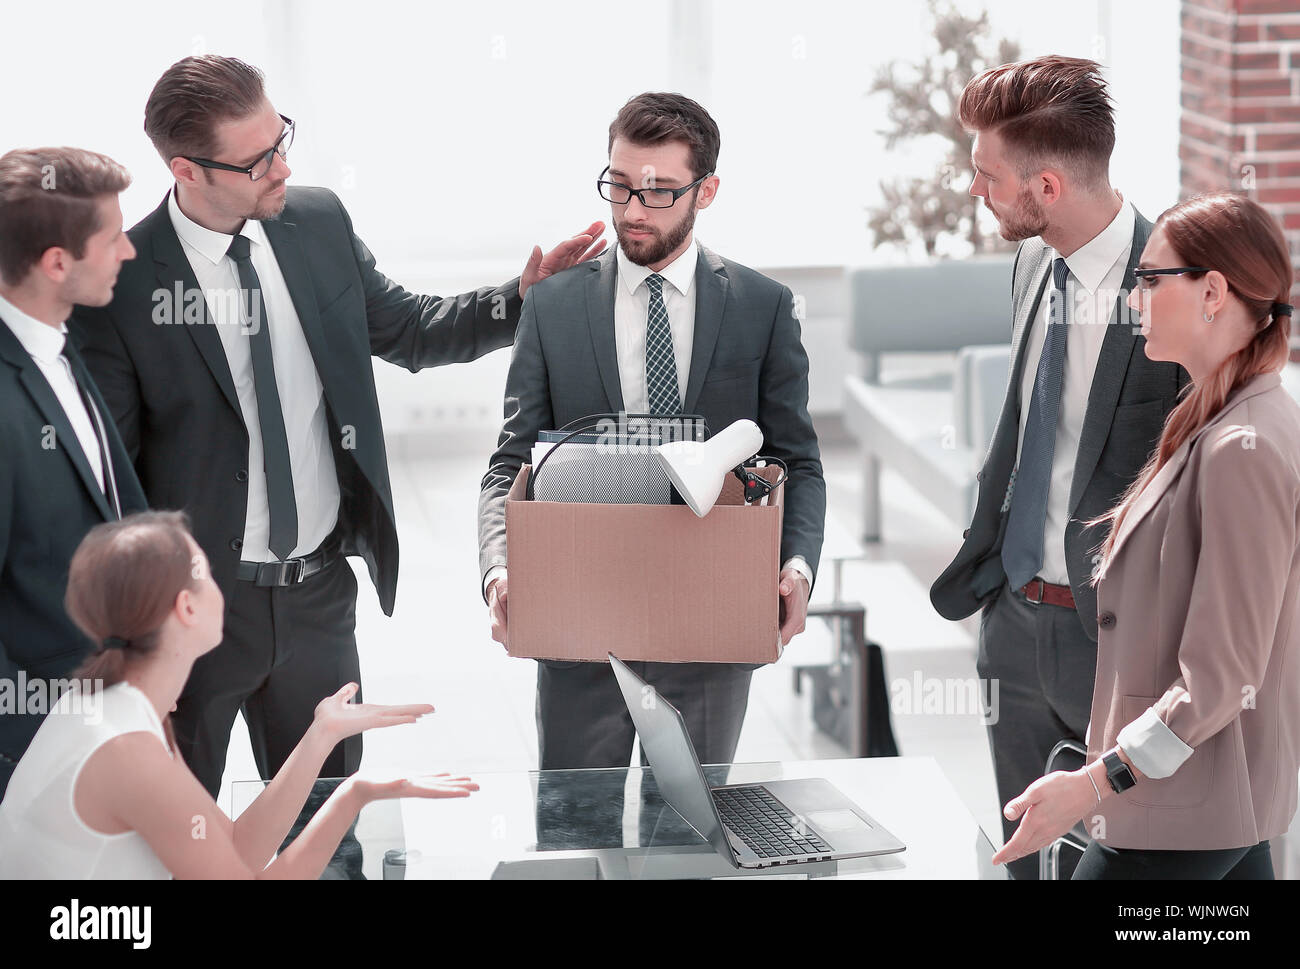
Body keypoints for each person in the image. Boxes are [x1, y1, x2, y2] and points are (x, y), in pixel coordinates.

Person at [68, 55, 606, 797]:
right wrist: (137, 635)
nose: (281, 167)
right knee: (177, 832)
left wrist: (519, 298)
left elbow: (408, 328)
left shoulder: (316, 224)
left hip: (318, 596)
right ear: (188, 172)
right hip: (192, 614)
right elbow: (114, 477)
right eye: (257, 161)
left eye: (281, 139)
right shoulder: (124, 282)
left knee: (327, 829)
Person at [477, 92, 826, 771]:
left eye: (659, 191)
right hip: (581, 613)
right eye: (619, 185)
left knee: (693, 836)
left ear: (708, 191)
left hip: (711, 616)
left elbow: (797, 461)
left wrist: (796, 566)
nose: (632, 210)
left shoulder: (765, 307)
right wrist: (499, 567)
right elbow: (509, 462)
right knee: (580, 833)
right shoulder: (552, 306)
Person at [927, 56, 1188, 878]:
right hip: (1011, 621)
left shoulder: (1175, 287)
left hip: (1113, 639)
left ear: (1046, 186)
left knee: (1128, 864)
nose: (976, 190)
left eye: (986, 174)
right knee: (1022, 860)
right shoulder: (1034, 259)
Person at [991, 193, 1300, 880]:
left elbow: (1221, 673)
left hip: (1178, 811)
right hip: (1217, 803)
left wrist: (1095, 782)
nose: (1135, 299)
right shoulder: (1219, 417)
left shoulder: (1239, 446)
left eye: (1151, 279)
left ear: (1213, 291)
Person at [0, 510, 475, 878]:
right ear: (186, 607)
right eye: (208, 571)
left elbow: (231, 847)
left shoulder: (119, 703)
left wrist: (320, 734)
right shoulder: (130, 750)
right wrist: (352, 794)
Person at [0, 146, 147, 798]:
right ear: (57, 263)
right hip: (41, 753)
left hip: (113, 714)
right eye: (112, 237)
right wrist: (45, 749)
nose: (129, 251)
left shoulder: (60, 340)